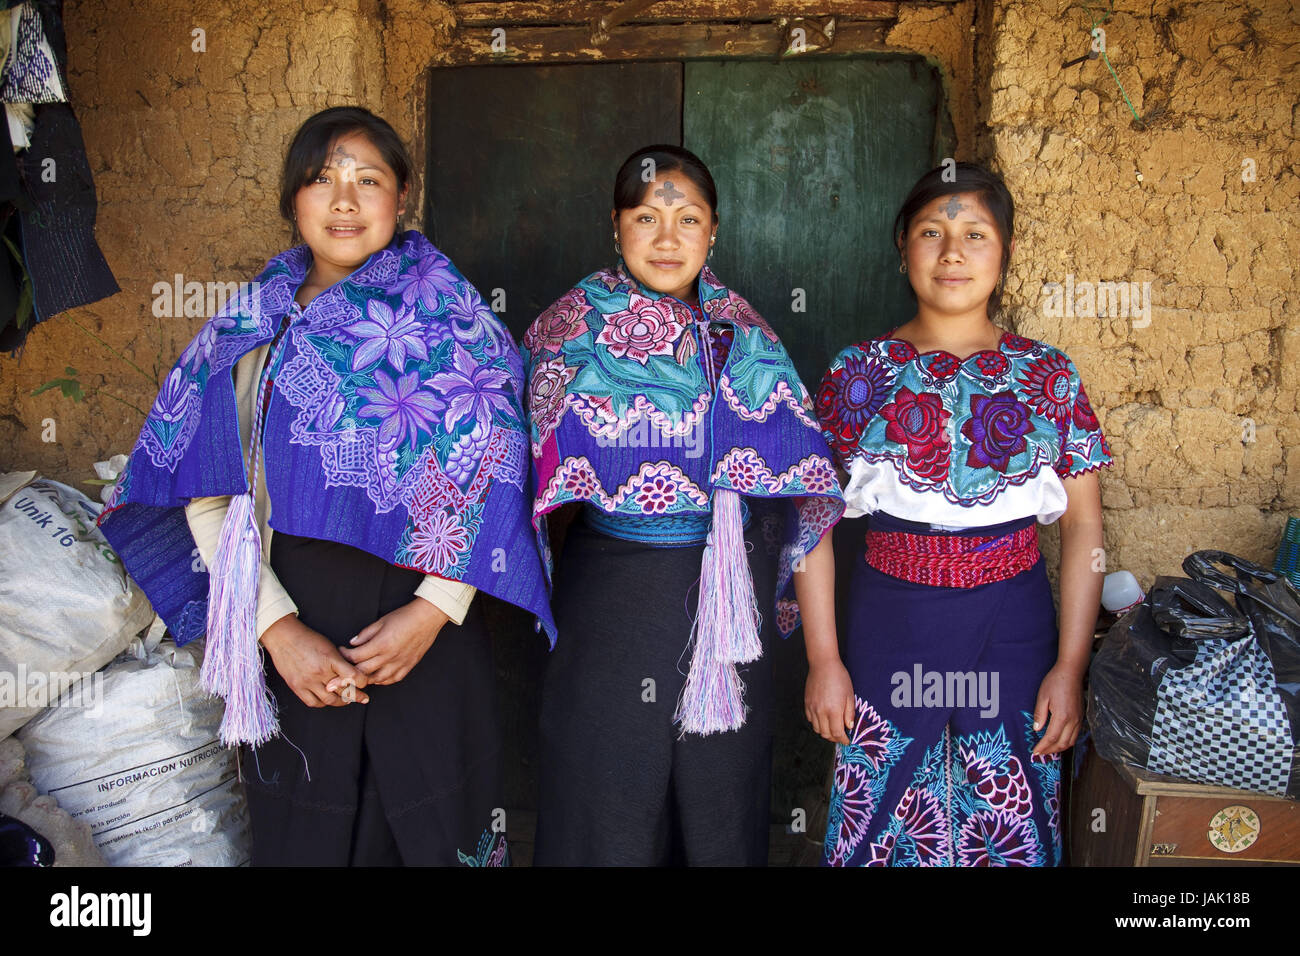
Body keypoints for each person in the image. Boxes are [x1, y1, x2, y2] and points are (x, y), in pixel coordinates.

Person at [99, 106, 553, 866]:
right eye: (321, 179)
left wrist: (433, 612)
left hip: (426, 627)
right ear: (293, 200)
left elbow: (500, 475)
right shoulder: (250, 328)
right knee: (308, 832)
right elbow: (208, 494)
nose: (344, 201)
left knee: (434, 829)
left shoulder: (458, 321)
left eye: (367, 180)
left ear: (402, 196)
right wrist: (276, 632)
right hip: (294, 616)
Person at [524, 145, 844, 865]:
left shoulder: (749, 343)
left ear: (714, 232)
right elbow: (517, 479)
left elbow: (806, 496)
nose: (668, 239)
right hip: (612, 595)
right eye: (647, 217)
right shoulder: (564, 332)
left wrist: (824, 656)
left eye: (688, 218)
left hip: (728, 602)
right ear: (616, 225)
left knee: (718, 797)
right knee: (607, 786)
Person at [808, 162, 1110, 866]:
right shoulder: (859, 373)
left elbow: (1085, 525)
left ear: (1003, 255)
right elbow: (811, 520)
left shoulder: (1048, 375)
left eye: (975, 234)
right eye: (931, 233)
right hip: (889, 621)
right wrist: (824, 659)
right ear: (903, 249)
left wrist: (1070, 666)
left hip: (1014, 626)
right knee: (881, 816)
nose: (952, 253)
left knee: (1005, 815)